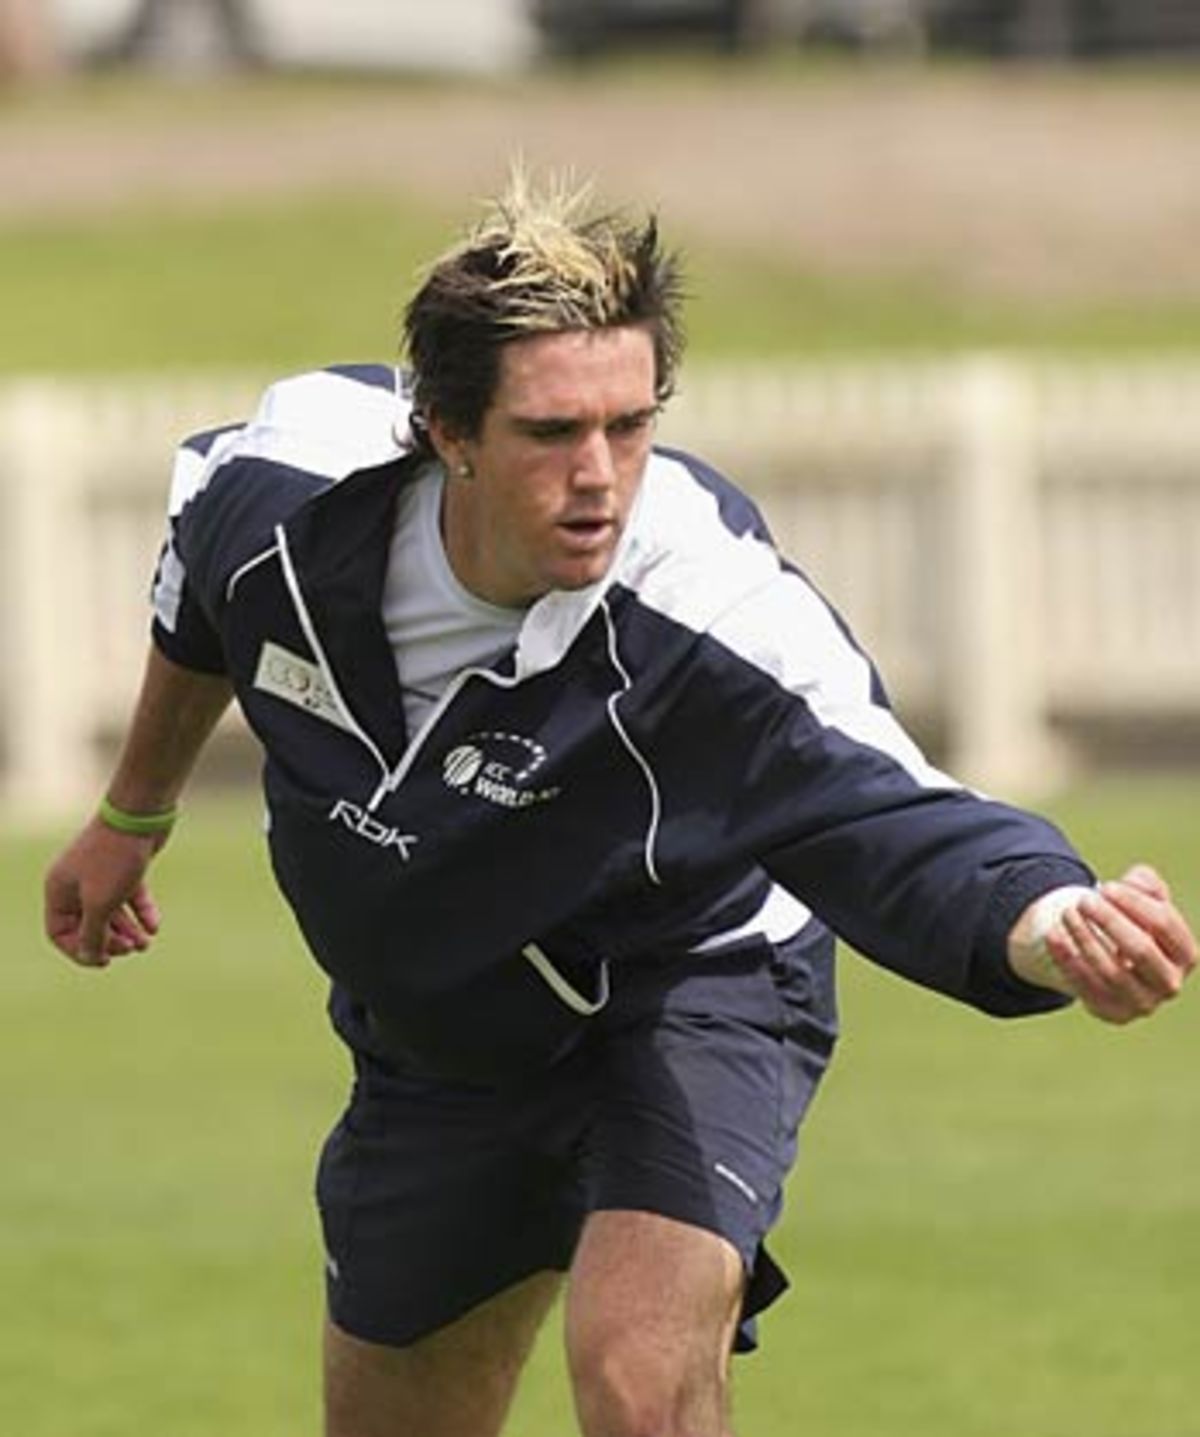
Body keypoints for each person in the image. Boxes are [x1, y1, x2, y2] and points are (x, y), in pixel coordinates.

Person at [44, 171, 1196, 1437]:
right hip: (443, 1029)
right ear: (445, 429)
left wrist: (1045, 914)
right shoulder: (287, 494)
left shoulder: (705, 608)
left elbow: (885, 803)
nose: (601, 476)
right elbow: (202, 603)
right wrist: (133, 815)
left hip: (688, 982)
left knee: (639, 1383)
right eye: (551, 434)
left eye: (630, 426)